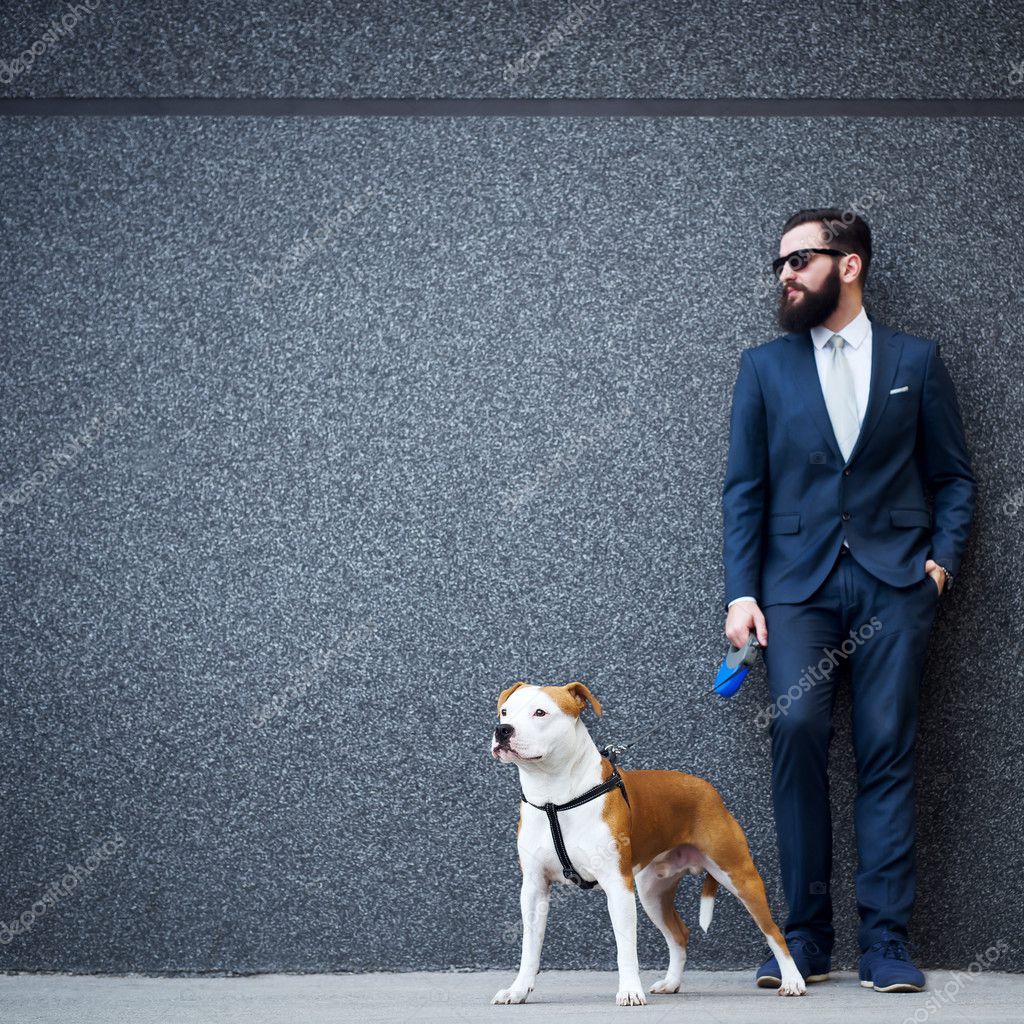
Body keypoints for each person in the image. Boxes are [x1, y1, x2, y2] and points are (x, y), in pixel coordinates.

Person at [721, 208, 977, 993]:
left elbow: (956, 478)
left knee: (886, 749)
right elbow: (743, 491)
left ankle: (886, 942)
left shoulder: (916, 360)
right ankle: (801, 935)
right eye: (780, 264)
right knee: (795, 728)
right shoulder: (764, 367)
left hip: (895, 585)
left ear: (850, 264)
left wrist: (938, 568)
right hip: (796, 588)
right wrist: (740, 591)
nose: (786, 275)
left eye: (800, 260)